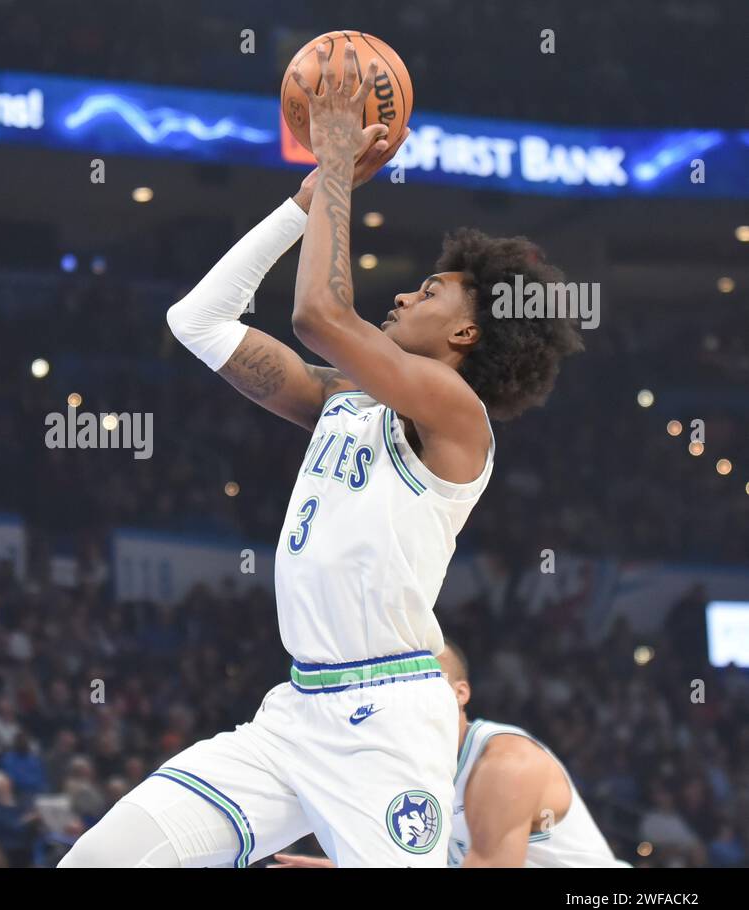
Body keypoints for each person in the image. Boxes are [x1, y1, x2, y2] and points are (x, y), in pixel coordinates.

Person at [61, 41, 582, 868]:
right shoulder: (345, 399)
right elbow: (197, 321)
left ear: (464, 333)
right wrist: (305, 200)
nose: (407, 292)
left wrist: (337, 156)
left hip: (388, 724)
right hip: (296, 711)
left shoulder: (458, 416)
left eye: (432, 290)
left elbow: (317, 315)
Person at [272, 643, 628, 867]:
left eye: (430, 684)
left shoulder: (505, 764)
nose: (415, 698)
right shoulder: (405, 767)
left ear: (461, 693)